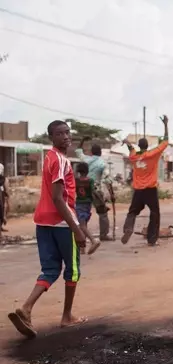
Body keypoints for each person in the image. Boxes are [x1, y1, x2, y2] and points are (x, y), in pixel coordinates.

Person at [7, 120, 87, 338]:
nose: (66, 136)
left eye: (67, 132)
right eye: (60, 134)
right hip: (61, 223)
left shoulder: (49, 157)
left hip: (42, 221)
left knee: (51, 269)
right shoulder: (60, 160)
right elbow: (58, 198)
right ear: (51, 137)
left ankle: (26, 308)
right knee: (73, 269)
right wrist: (77, 230)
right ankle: (67, 316)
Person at [121, 115, 169, 246]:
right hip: (150, 189)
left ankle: (128, 228)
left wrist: (127, 143)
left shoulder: (134, 157)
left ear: (139, 146)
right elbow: (165, 142)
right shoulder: (152, 154)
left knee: (133, 212)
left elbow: (131, 151)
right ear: (147, 145)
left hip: (138, 189)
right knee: (154, 213)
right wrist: (165, 124)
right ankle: (152, 239)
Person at [75, 137, 111, 240]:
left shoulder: (85, 159)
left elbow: (78, 151)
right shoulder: (102, 163)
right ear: (100, 153)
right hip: (95, 190)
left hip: (83, 189)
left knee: (83, 212)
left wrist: (82, 140)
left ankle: (82, 233)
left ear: (91, 152)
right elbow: (107, 179)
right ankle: (103, 235)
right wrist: (110, 193)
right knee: (102, 213)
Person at [74, 162, 101, 255]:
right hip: (88, 204)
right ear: (87, 170)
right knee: (84, 225)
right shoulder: (90, 180)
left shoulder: (76, 180)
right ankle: (82, 248)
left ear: (78, 171)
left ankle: (93, 241)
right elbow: (93, 192)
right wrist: (100, 200)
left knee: (82, 226)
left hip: (79, 204)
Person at [0, 162, 8, 231]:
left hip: (2, 195)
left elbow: (4, 187)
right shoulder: (2, 179)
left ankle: (1, 225)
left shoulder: (2, 178)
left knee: (3, 208)